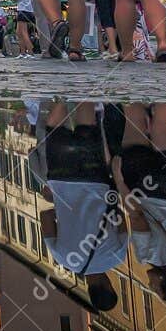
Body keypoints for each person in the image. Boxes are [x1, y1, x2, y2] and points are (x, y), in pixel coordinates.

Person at [35, 99, 127, 311]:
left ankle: (79, 79)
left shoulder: (118, 256)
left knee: (87, 126)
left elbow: (119, 216)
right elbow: (46, 218)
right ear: (90, 288)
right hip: (62, 180)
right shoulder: (64, 260)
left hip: (96, 179)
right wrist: (63, 209)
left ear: (109, 285)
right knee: (54, 130)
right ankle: (61, 92)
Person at [114, 103, 166, 299]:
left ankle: (164, 80)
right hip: (142, 183)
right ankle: (131, 77)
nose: (150, 285)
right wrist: (119, 181)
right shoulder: (147, 256)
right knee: (134, 117)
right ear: (162, 282)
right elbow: (137, 217)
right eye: (155, 288)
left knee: (163, 120)